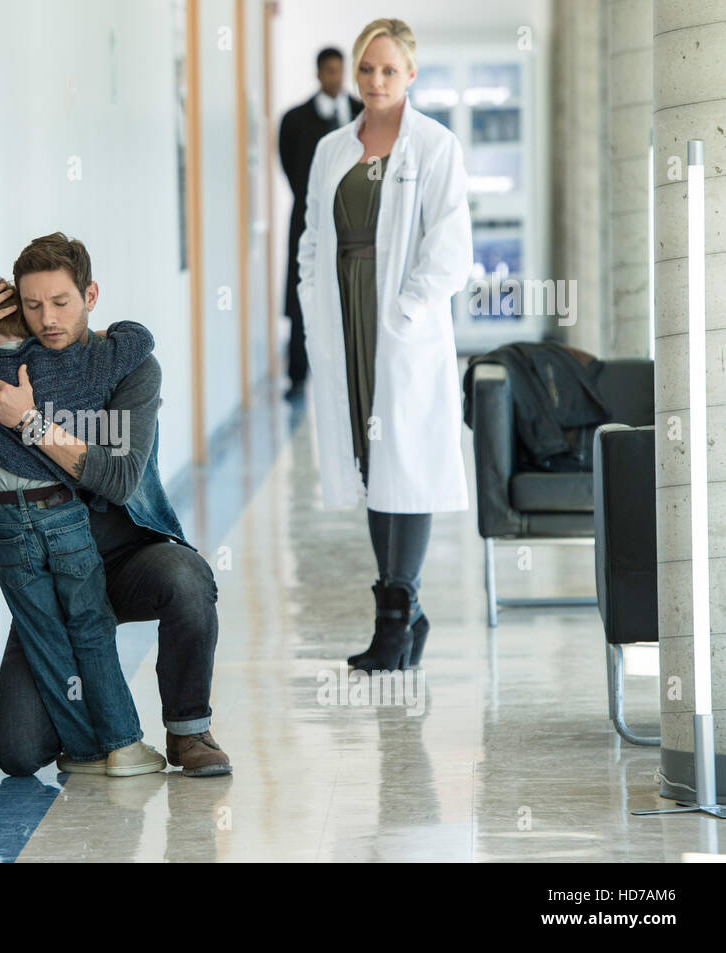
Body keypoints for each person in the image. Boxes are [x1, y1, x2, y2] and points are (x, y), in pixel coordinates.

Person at [0, 232, 232, 778]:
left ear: (90, 296)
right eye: (33, 305)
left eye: (61, 303)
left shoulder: (122, 367)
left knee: (189, 580)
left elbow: (116, 478)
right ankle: (93, 740)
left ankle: (190, 733)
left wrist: (31, 422)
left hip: (127, 555)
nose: (47, 319)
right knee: (19, 752)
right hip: (45, 569)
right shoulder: (8, 365)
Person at [296, 18, 473, 671]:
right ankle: (404, 612)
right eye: (366, 68)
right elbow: (313, 239)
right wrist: (315, 307)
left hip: (403, 329)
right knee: (372, 464)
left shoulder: (435, 146)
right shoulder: (331, 149)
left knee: (411, 465)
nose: (375, 81)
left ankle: (396, 618)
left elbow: (451, 251)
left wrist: (405, 310)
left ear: (411, 75)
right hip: (345, 317)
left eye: (388, 70)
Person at [279, 47, 363, 398]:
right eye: (329, 71)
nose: (335, 77)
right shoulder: (295, 119)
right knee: (305, 288)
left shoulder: (362, 112)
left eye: (339, 71)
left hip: (356, 217)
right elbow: (289, 164)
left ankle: (355, 367)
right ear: (318, 73)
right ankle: (298, 374)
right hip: (309, 218)